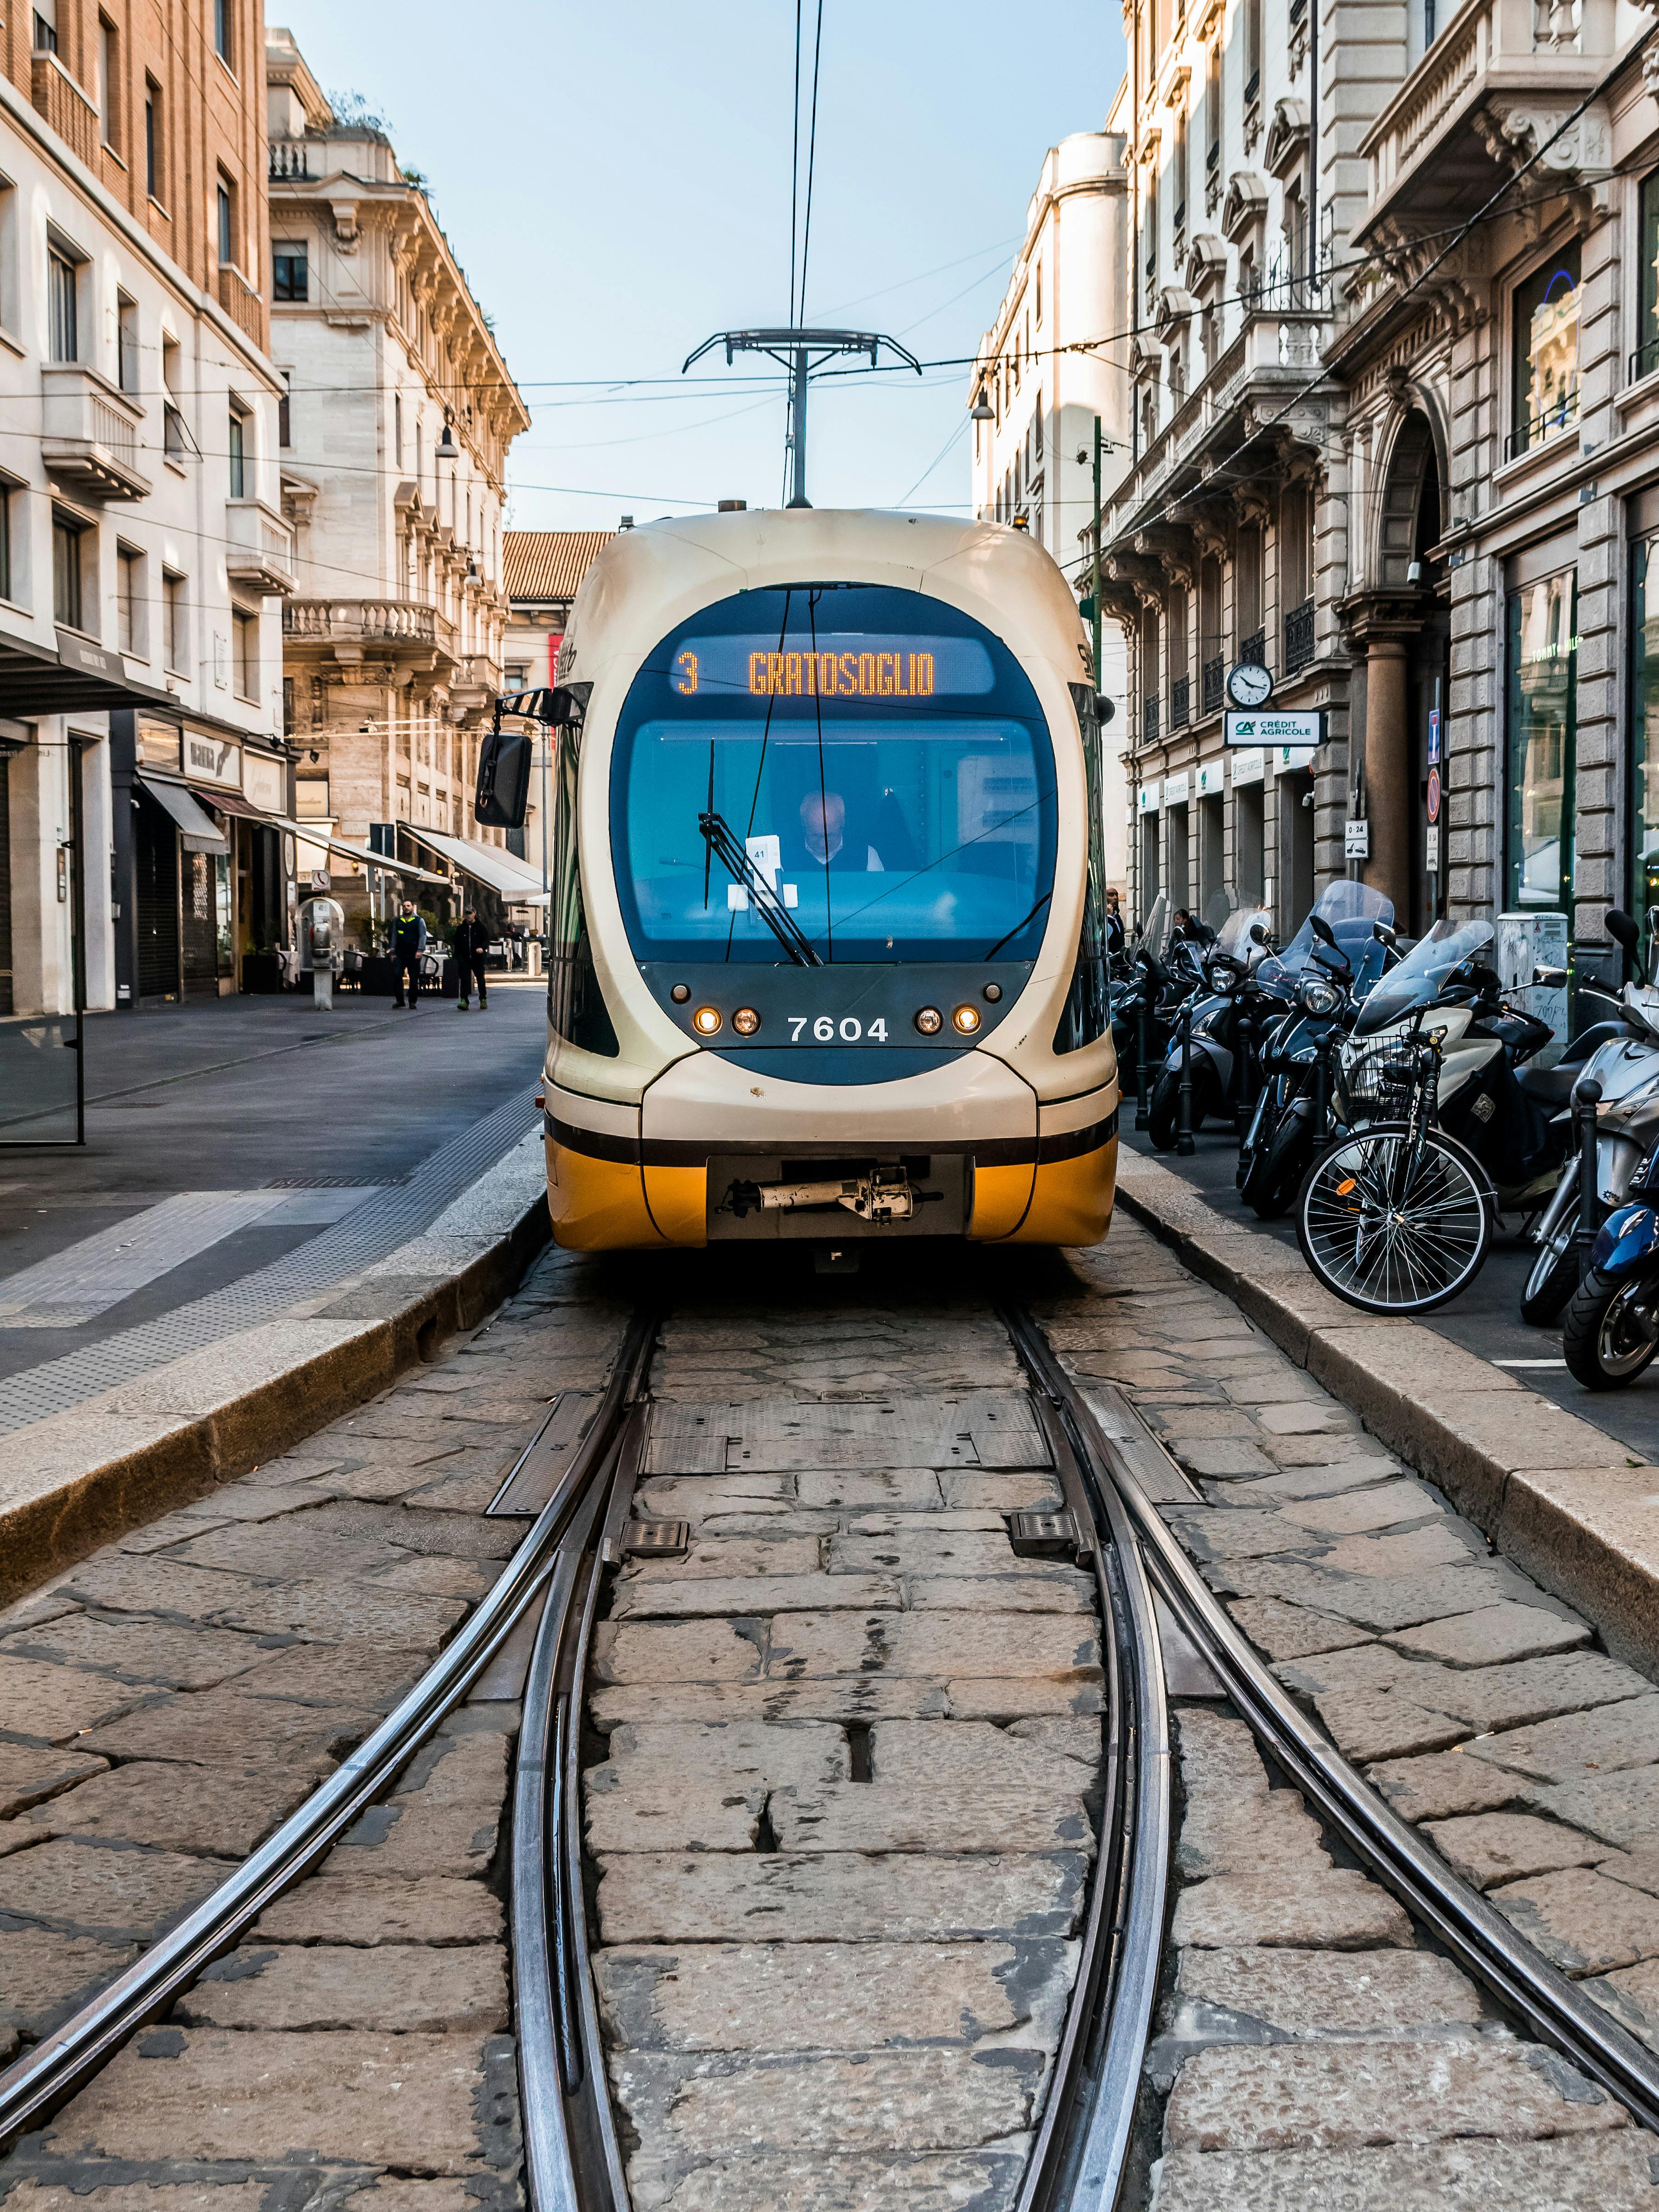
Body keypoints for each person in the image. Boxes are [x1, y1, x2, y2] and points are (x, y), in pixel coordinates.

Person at [798, 790, 883, 871]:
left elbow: (880, 886)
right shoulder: (786, 855)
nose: (822, 843)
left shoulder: (867, 855)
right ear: (803, 825)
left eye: (830, 836)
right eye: (815, 836)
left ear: (843, 823)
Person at [453, 903, 491, 1012]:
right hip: (464, 957)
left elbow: (486, 940)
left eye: (470, 913)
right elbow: (457, 943)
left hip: (477, 957)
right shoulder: (461, 928)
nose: (468, 915)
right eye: (467, 913)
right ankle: (464, 1000)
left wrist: (482, 949)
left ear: (474, 914)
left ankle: (483, 998)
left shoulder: (481, 927)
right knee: (464, 979)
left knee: (480, 979)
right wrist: (458, 956)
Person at [391, 899, 426, 1007]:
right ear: (402, 908)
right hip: (400, 953)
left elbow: (423, 936)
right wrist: (393, 951)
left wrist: (420, 950)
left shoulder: (419, 921)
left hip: (414, 953)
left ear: (413, 907)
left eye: (408, 906)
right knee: (397, 975)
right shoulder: (398, 921)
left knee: (414, 977)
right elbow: (394, 936)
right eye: (404, 906)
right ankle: (400, 1000)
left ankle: (412, 1001)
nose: (406, 908)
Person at [1105, 888, 1126, 956]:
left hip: (1119, 960)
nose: (1116, 898)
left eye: (1117, 895)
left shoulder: (1117, 916)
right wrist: (1109, 917)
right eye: (1111, 895)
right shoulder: (1099, 916)